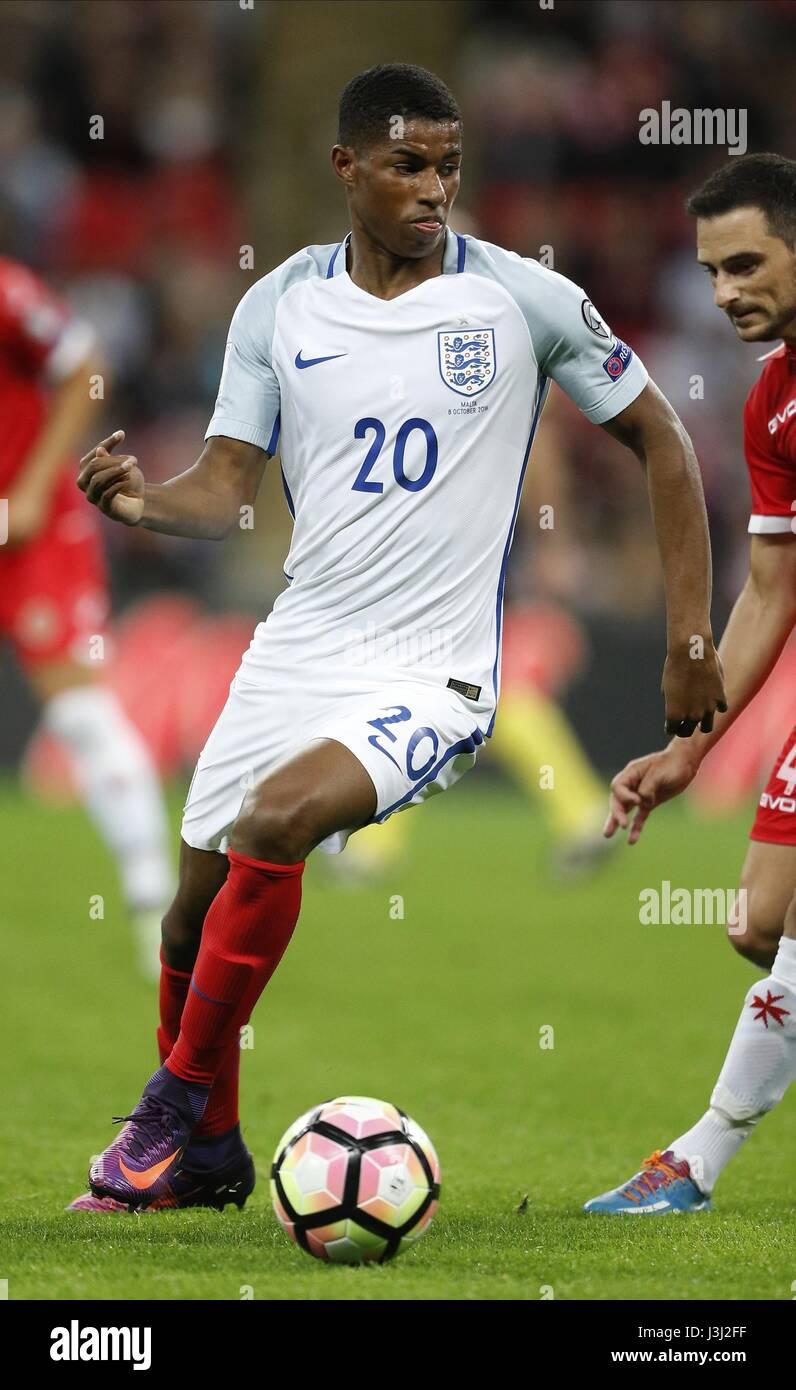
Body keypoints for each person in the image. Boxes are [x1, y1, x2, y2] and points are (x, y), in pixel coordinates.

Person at [67, 64, 725, 1214]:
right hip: (297, 644)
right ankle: (211, 1154)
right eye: (410, 164)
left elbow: (662, 441)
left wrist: (687, 639)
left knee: (278, 820)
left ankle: (165, 1107)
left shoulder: (523, 299)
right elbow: (223, 484)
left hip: (434, 668)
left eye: (449, 165)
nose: (435, 187)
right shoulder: (277, 303)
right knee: (189, 907)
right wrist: (137, 501)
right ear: (347, 168)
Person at [585, 153, 796, 1214]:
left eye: (747, 263)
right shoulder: (772, 402)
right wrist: (691, 743)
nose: (725, 293)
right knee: (760, 924)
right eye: (711, 272)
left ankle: (695, 1159)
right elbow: (768, 589)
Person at [0, 256, 174, 978]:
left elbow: (86, 367)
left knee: (79, 717)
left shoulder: (7, 292)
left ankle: (156, 909)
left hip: (30, 529)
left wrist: (35, 488)